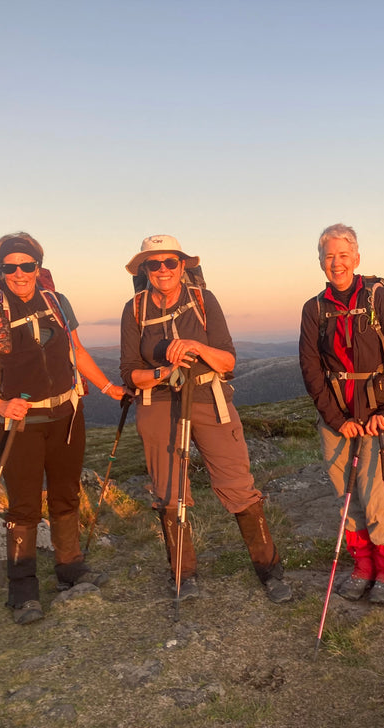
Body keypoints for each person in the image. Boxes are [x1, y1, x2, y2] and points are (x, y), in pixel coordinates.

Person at [119, 234, 292, 604]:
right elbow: (129, 373)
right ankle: (183, 575)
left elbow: (228, 361)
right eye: (154, 264)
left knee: (238, 485)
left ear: (183, 265)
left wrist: (196, 347)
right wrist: (164, 372)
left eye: (170, 262)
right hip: (158, 401)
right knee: (168, 492)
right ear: (145, 269)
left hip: (208, 397)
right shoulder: (134, 310)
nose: (163, 269)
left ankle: (270, 571)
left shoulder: (203, 300)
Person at [0, 232, 124, 625]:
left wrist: (109, 388)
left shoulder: (57, 301)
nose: (19, 273)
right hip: (19, 423)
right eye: (10, 267)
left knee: (67, 493)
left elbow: (77, 351)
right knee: (24, 505)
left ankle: (70, 568)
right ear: (0, 270)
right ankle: (23, 592)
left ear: (39, 266)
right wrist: (0, 404)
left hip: (67, 414)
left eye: (27, 265)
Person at [299, 224, 384, 604]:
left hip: (378, 416)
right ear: (320, 261)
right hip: (337, 421)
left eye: (343, 255)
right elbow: (311, 369)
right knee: (346, 497)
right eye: (329, 256)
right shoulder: (314, 309)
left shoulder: (379, 297)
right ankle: (362, 564)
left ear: (357, 258)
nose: (337, 263)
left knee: (375, 496)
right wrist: (337, 420)